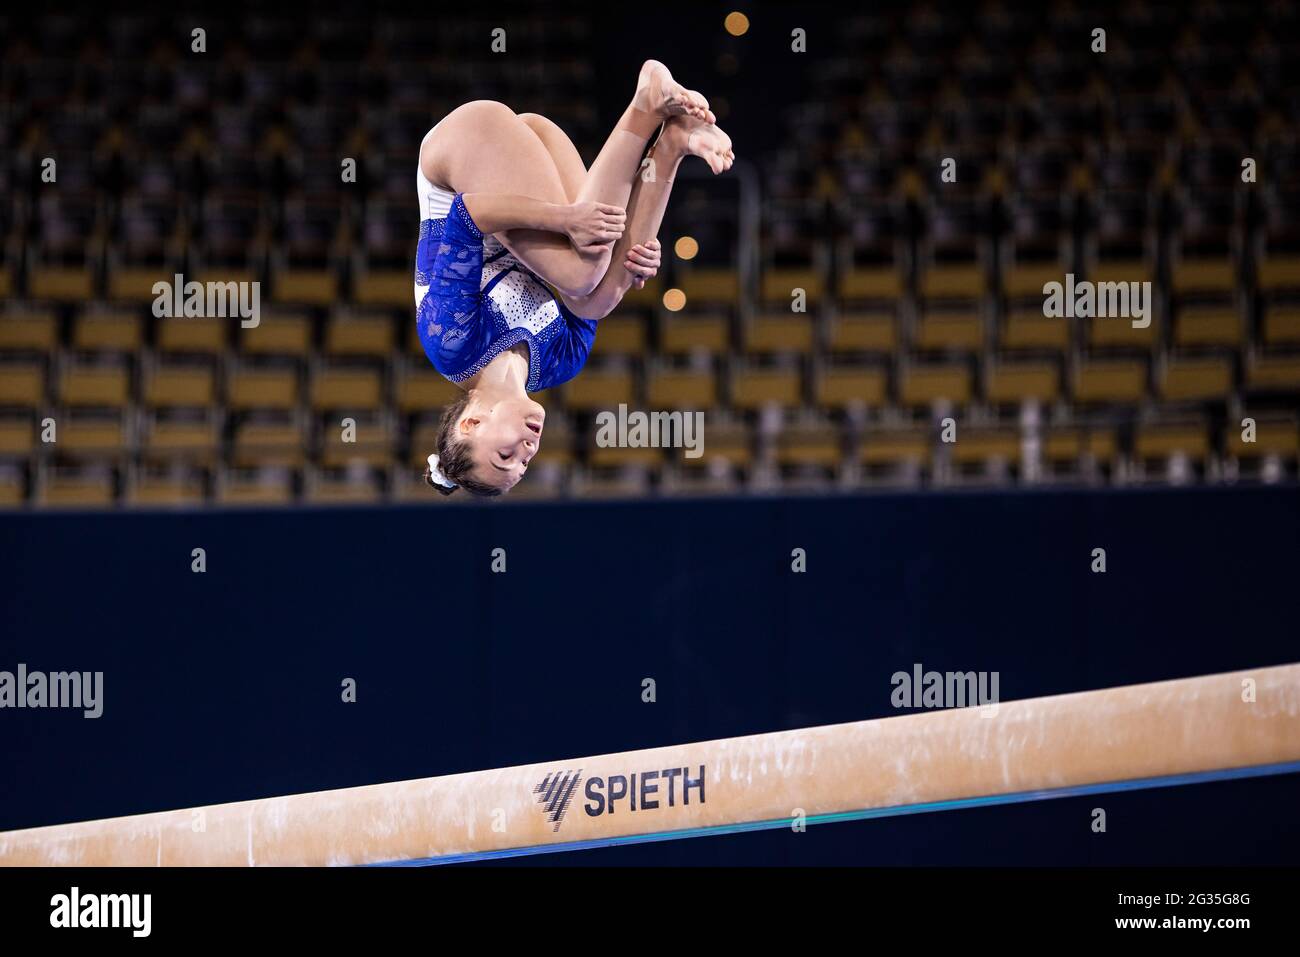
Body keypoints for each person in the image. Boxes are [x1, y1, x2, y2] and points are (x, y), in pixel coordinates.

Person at [414, 60, 734, 496]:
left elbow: (466, 215)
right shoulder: (560, 362)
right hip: (530, 154)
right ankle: (673, 143)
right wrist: (634, 264)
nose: (528, 450)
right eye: (524, 463)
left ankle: (646, 103)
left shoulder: (451, 345)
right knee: (597, 296)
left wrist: (565, 218)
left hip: (461, 152)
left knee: (582, 273)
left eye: (505, 455)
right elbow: (606, 269)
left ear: (472, 422)